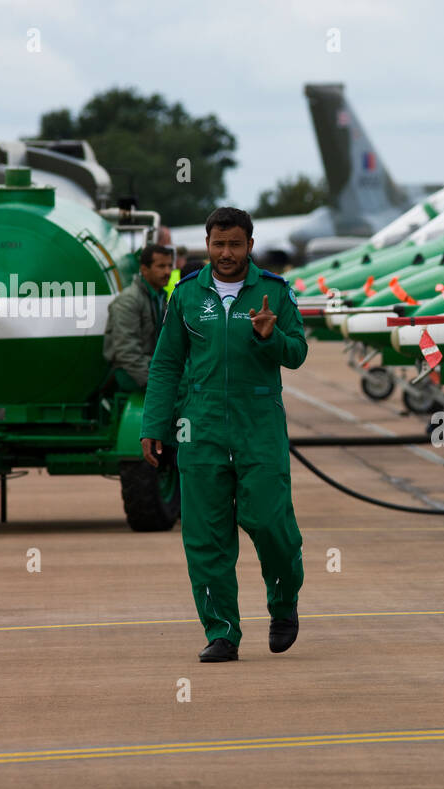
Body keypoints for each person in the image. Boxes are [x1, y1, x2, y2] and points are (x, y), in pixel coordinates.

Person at [140, 207, 308, 663]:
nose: (226, 253)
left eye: (235, 244)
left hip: (259, 427)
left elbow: (296, 354)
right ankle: (222, 632)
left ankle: (283, 602)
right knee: (206, 536)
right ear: (208, 245)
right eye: (219, 244)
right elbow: (167, 363)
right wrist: (155, 425)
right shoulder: (187, 295)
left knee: (272, 525)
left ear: (250, 246)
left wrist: (270, 337)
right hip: (202, 426)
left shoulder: (274, 291)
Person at [102, 243, 172, 391]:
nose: (167, 272)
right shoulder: (129, 301)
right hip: (130, 374)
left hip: (154, 367)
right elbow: (127, 353)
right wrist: (155, 384)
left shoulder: (160, 297)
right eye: (161, 266)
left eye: (169, 266)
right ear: (144, 270)